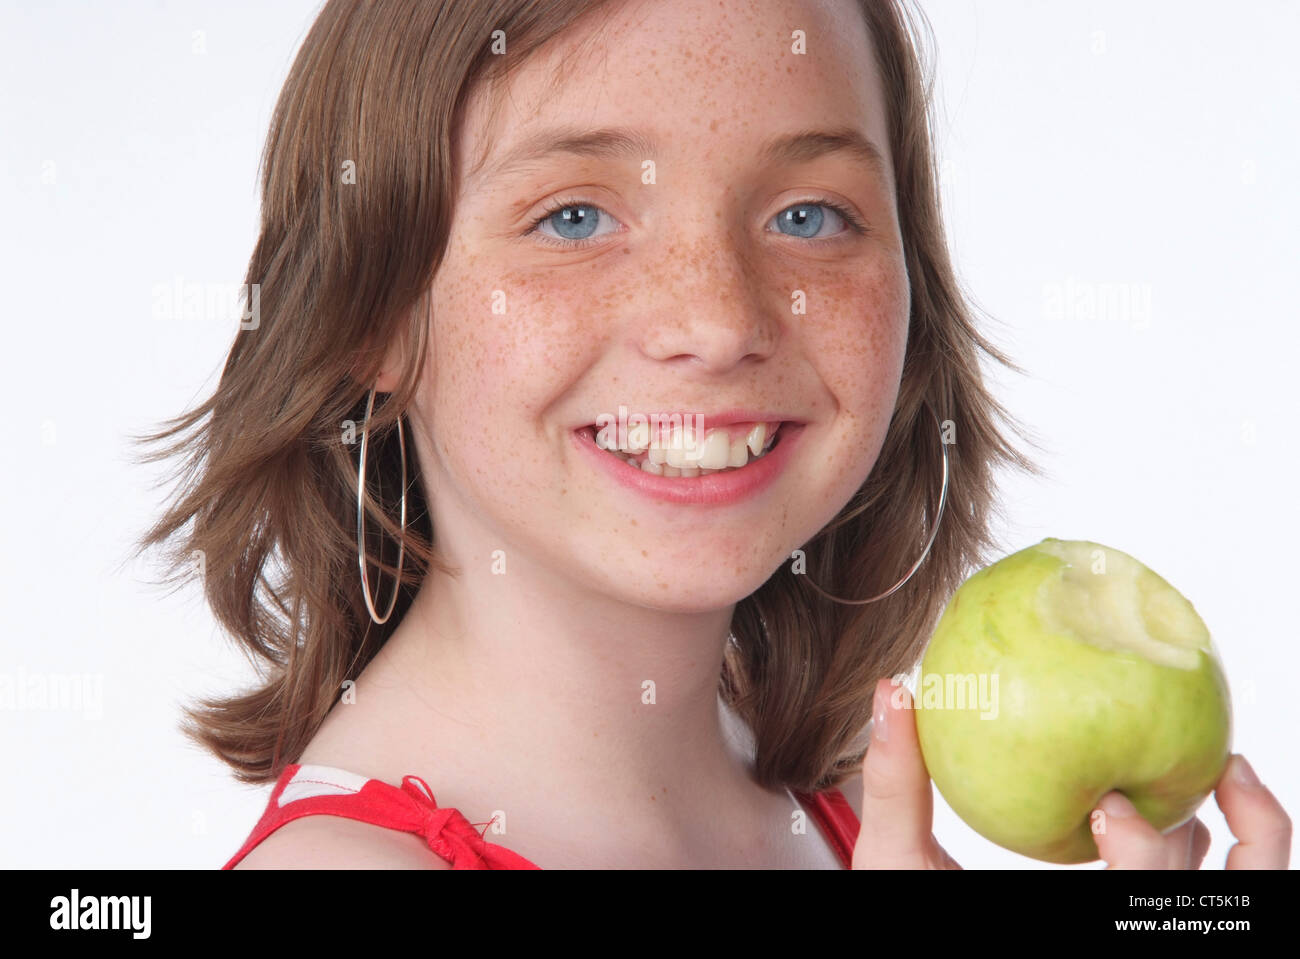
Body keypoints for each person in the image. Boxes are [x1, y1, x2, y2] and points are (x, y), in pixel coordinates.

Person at [136, 0, 1290, 869]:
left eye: (807, 215)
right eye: (574, 216)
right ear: (371, 312)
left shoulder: (827, 803)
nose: (718, 318)